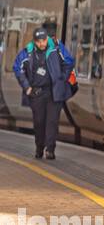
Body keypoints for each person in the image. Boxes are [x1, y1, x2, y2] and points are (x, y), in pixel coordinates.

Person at [13, 28, 75, 159]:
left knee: (52, 122)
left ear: (47, 38)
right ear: (34, 41)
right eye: (39, 41)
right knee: (39, 122)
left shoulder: (56, 48)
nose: (42, 44)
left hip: (54, 92)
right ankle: (39, 147)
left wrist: (61, 78)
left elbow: (69, 61)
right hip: (37, 93)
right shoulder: (28, 52)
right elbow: (17, 67)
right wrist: (26, 87)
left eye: (44, 40)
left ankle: (50, 150)